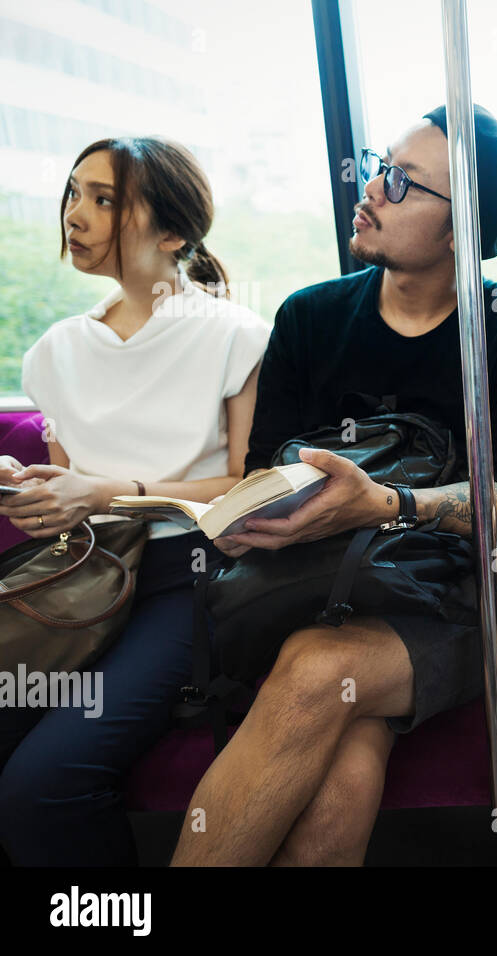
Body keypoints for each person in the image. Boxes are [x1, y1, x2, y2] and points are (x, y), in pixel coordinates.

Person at [169, 105, 497, 866]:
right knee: (349, 747)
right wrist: (261, 515)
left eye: (401, 182)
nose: (370, 190)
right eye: (377, 164)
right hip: (309, 584)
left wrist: (389, 505)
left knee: (323, 672)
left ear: (462, 233)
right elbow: (260, 470)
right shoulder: (311, 317)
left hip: (453, 601)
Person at [0, 136, 268, 865]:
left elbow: (249, 486)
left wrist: (108, 491)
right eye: (74, 192)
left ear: (174, 232)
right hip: (85, 580)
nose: (74, 213)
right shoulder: (53, 351)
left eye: (103, 198)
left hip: (191, 584)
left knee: (44, 783)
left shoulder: (236, 336)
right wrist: (34, 496)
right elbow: (70, 508)